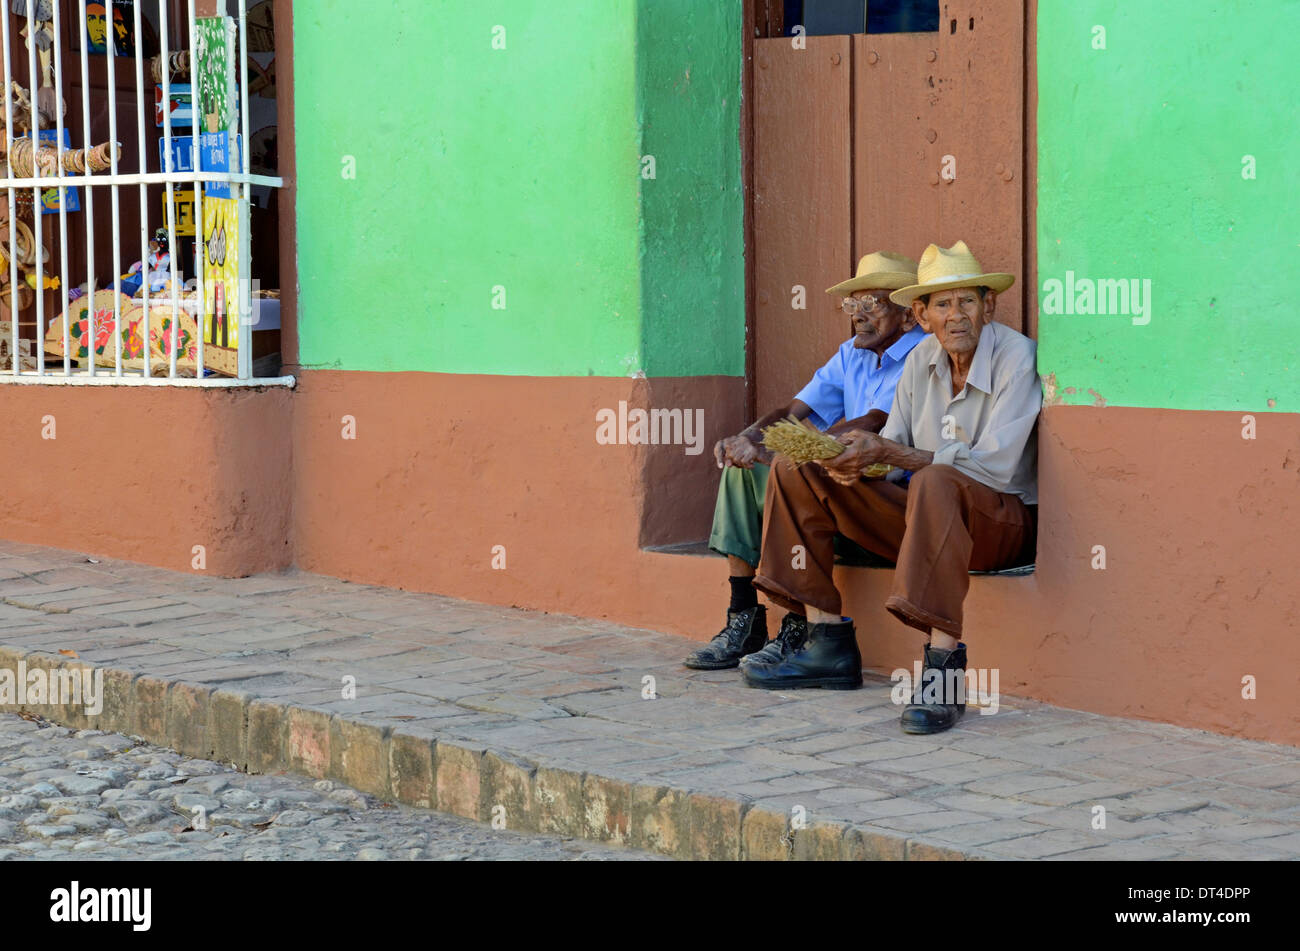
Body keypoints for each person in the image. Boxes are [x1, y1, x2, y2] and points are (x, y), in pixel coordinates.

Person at [745, 241, 1040, 736]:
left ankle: (942, 674)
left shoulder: (1015, 356)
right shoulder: (922, 360)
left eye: (967, 301)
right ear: (921, 315)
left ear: (988, 306)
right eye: (941, 305)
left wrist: (893, 455)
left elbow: (997, 468)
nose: (956, 316)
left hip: (999, 526)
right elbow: (894, 450)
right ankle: (825, 641)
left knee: (938, 479)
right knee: (798, 467)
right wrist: (852, 461)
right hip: (924, 518)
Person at [683, 251, 927, 670]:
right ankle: (743, 615)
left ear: (907, 316)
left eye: (872, 304)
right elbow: (794, 411)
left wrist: (779, 451)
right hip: (837, 479)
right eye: (853, 305)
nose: (858, 316)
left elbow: (871, 423)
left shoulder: (923, 353)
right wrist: (749, 439)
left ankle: (799, 621)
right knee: (743, 472)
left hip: (885, 493)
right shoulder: (852, 352)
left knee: (790, 470)